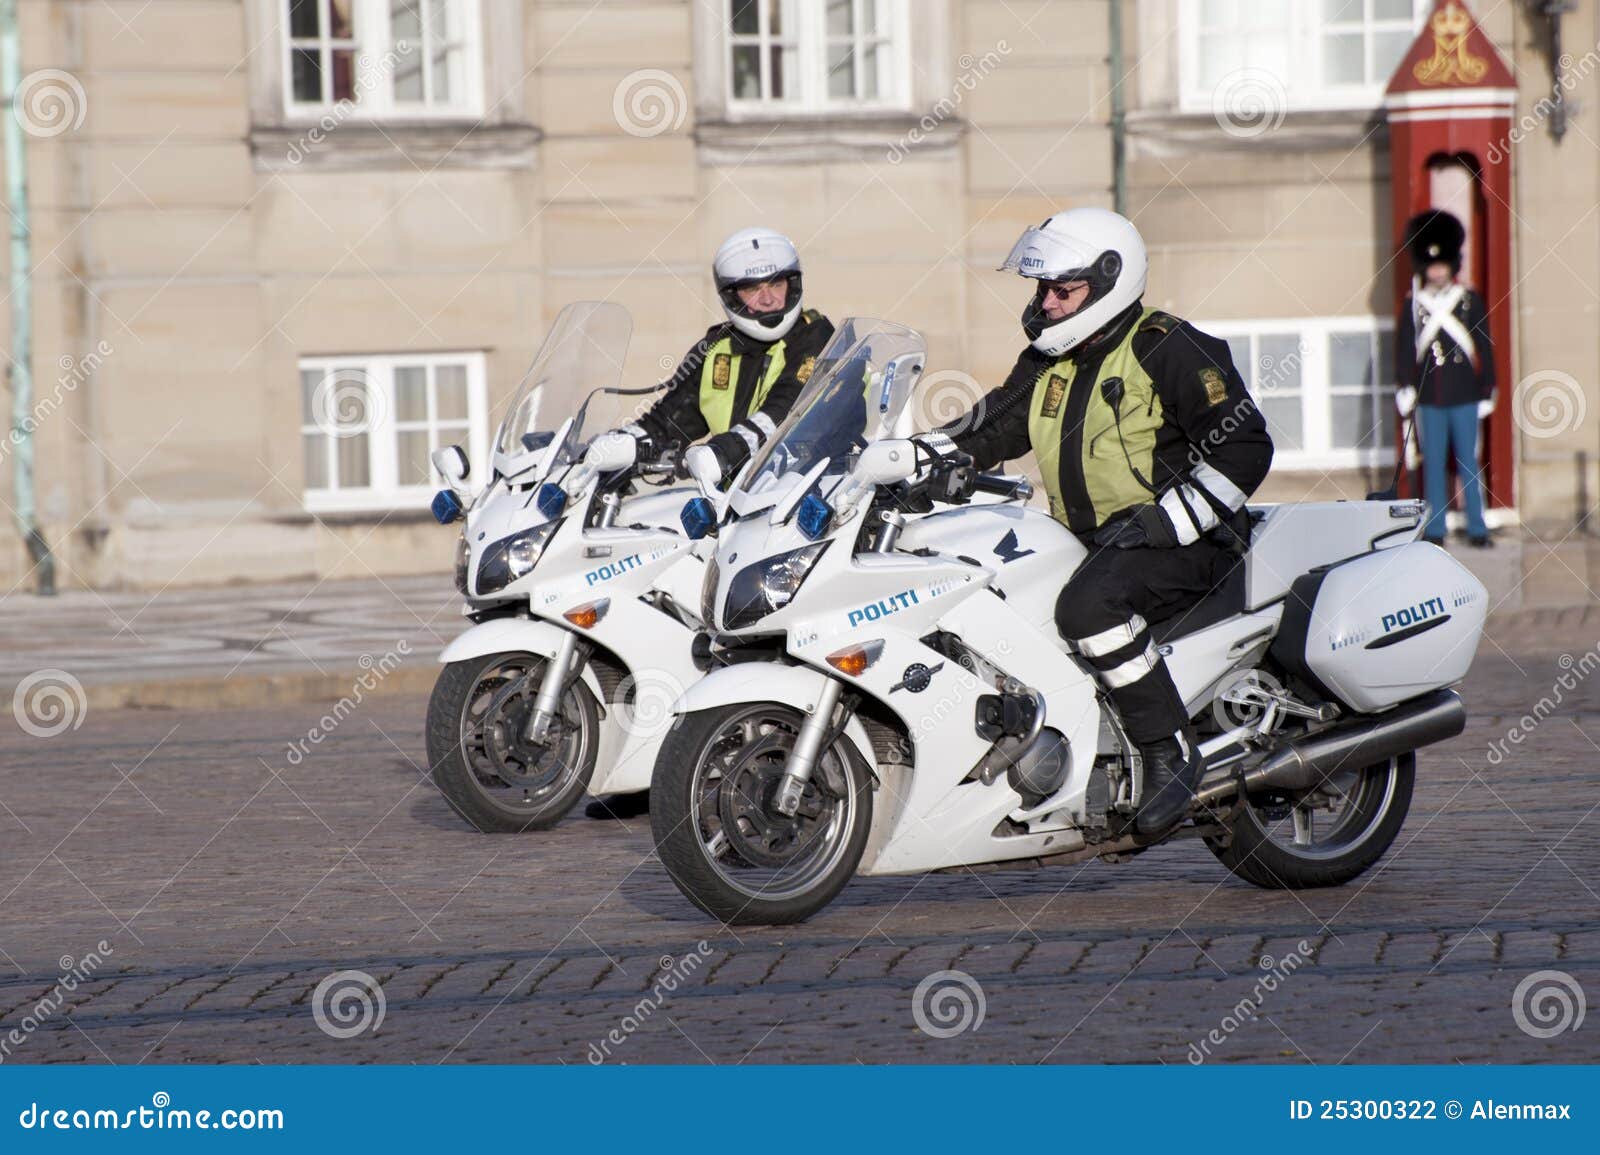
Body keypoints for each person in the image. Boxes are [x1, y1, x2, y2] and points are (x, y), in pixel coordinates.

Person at [921, 207, 1274, 836]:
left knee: (1090, 609)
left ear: (1110, 279)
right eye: (1043, 291)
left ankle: (1172, 753)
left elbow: (1244, 447)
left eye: (1064, 290)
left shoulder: (1168, 347)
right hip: (1094, 542)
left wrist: (1170, 522)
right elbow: (991, 426)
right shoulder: (1047, 361)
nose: (1048, 304)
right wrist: (916, 458)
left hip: (1185, 541)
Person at [586, 226, 834, 819]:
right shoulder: (715, 349)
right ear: (730, 295)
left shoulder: (820, 337)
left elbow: (791, 409)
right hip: (731, 514)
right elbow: (674, 411)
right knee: (677, 617)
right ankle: (662, 769)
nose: (769, 298)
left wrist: (734, 444)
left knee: (764, 638)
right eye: (753, 289)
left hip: (805, 509)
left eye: (778, 284)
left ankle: (784, 762)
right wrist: (631, 440)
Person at [1394, 209, 1495, 548]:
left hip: (1464, 394)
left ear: (1452, 265)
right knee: (1433, 463)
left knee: (1469, 462)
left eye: (1442, 264)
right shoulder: (1415, 304)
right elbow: (1405, 349)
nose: (1437, 270)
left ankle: (1477, 527)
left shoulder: (1467, 300)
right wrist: (1404, 385)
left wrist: (1488, 387)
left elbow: (1484, 344)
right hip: (1430, 397)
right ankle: (1436, 528)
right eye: (1432, 265)